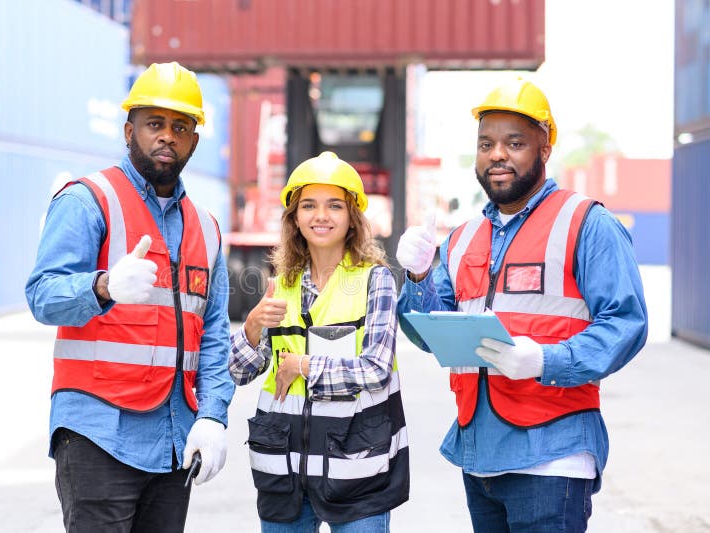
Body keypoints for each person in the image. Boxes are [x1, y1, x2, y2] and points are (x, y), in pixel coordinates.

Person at [396, 78, 648, 532]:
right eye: (486, 143)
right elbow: (427, 335)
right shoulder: (463, 237)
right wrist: (416, 277)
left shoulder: (586, 223)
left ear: (545, 148)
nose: (497, 155)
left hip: (553, 455)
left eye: (515, 143)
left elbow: (626, 324)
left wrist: (547, 360)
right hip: (480, 453)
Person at [26, 62, 235, 532]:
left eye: (180, 127)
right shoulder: (87, 200)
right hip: (98, 434)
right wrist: (102, 287)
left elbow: (216, 335)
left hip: (175, 439)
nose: (167, 137)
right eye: (154, 124)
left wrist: (214, 416)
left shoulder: (205, 227)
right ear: (128, 130)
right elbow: (42, 295)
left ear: (194, 141)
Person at [229, 152, 409, 532]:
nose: (321, 216)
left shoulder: (375, 280)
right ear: (295, 217)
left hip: (359, 468)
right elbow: (238, 372)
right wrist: (252, 328)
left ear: (352, 217)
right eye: (308, 205)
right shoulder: (282, 283)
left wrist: (302, 366)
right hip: (285, 469)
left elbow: (375, 369)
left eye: (334, 206)